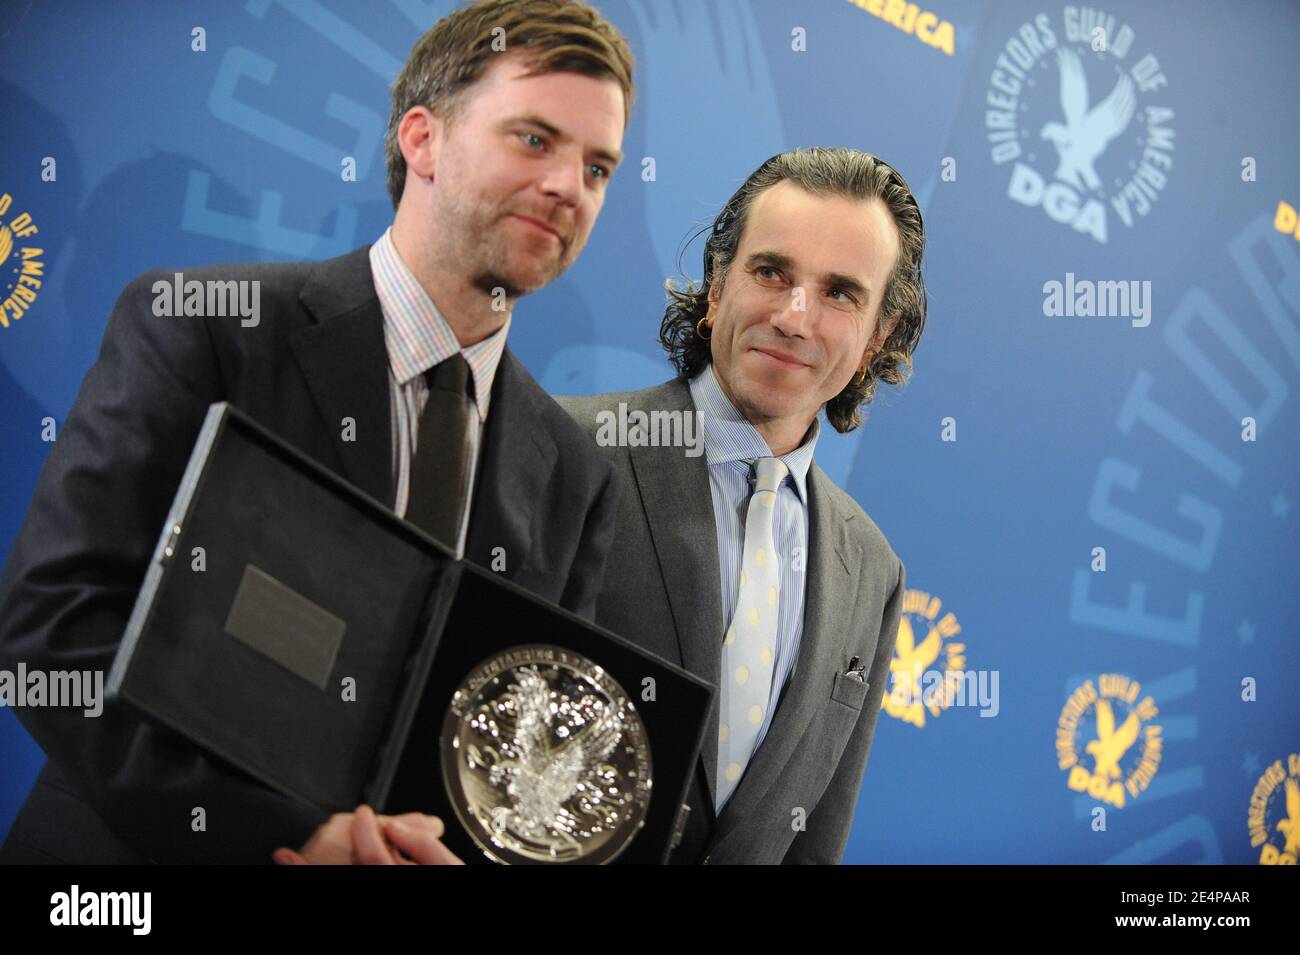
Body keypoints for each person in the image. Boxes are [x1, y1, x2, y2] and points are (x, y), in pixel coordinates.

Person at [0, 0, 634, 865]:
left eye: (598, 167)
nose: (569, 187)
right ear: (422, 140)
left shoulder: (575, 475)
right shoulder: (205, 329)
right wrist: (290, 834)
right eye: (534, 140)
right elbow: (55, 628)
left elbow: (520, 755)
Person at [557, 147, 926, 864]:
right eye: (771, 272)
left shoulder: (872, 569)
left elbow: (813, 843)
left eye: (840, 293)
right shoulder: (569, 450)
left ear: (877, 336)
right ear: (718, 285)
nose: (795, 317)